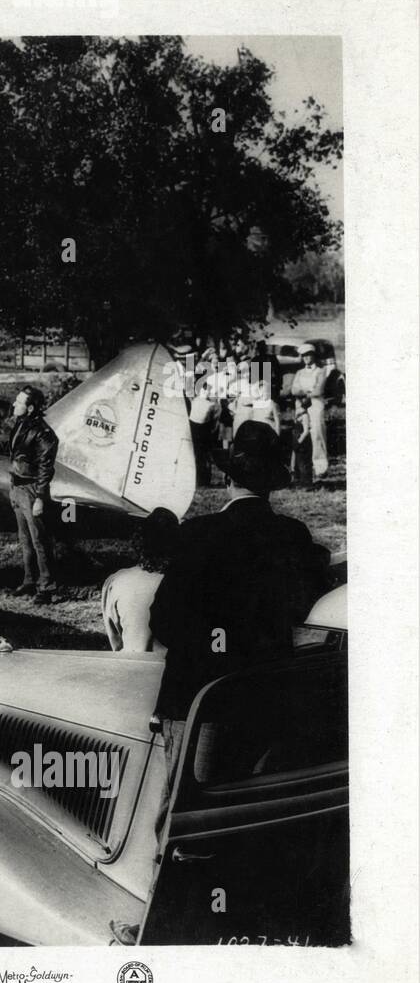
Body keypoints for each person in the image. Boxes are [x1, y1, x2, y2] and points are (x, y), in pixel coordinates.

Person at [148, 420, 329, 800]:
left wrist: (214, 646)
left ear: (228, 479)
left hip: (201, 697)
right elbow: (309, 600)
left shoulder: (198, 533)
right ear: (270, 485)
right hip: (269, 694)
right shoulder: (293, 536)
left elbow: (163, 620)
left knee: (189, 819)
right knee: (248, 816)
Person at [0, 385, 60, 603]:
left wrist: (39, 498)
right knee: (25, 539)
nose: (13, 404)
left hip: (31, 490)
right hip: (17, 488)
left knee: (40, 540)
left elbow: (45, 469)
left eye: (19, 402)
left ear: (29, 409)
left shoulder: (44, 435)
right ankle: (29, 581)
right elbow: (11, 447)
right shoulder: (21, 425)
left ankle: (46, 588)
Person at [101, 508, 180, 652]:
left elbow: (117, 642)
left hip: (132, 667)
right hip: (176, 671)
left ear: (140, 541)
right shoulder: (191, 582)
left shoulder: (117, 581)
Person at [289, 342, 329, 482]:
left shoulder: (321, 371)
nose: (306, 358)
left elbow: (319, 389)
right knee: (301, 435)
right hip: (301, 405)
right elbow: (294, 389)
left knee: (317, 433)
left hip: (315, 405)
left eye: (308, 355)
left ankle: (320, 468)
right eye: (303, 355)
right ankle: (299, 470)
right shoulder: (300, 372)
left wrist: (306, 393)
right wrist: (307, 392)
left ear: (313, 355)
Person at [291, 396, 315, 486]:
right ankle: (298, 480)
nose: (296, 404)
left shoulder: (305, 415)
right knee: (297, 461)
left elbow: (306, 431)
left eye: (298, 402)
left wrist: (299, 441)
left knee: (304, 462)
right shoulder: (297, 414)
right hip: (297, 440)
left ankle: (306, 482)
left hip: (303, 442)